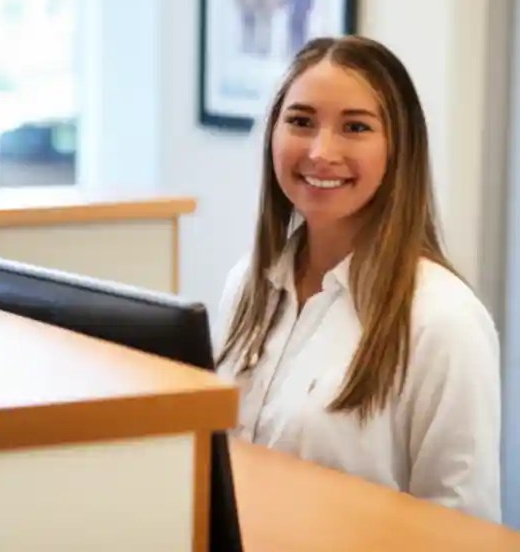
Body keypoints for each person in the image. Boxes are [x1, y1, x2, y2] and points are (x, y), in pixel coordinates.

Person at [212, 35, 502, 522]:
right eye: (301, 122)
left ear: (398, 150)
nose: (322, 151)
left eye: (355, 127)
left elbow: (463, 527)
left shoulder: (443, 319)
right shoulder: (248, 283)